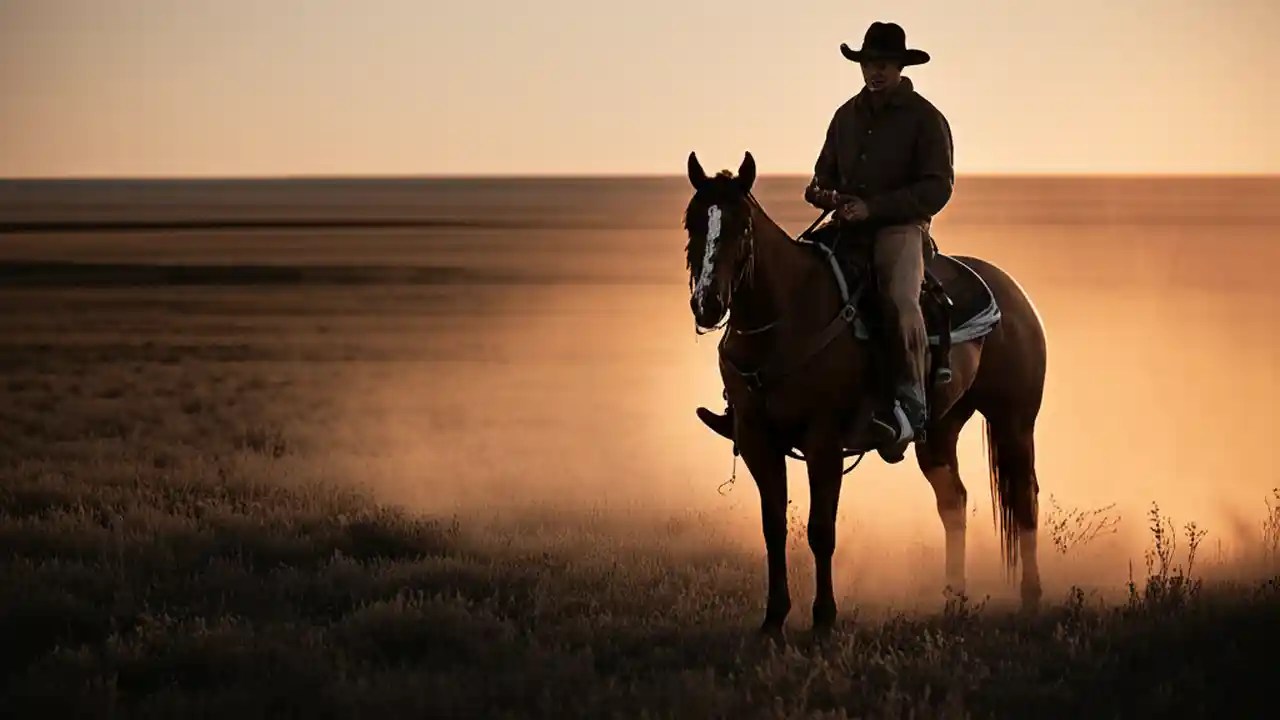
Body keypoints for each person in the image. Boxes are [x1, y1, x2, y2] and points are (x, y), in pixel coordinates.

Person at [696, 21, 954, 457]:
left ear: (900, 67)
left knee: (899, 299)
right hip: (846, 228)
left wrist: (873, 208)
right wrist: (827, 195)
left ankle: (911, 402)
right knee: (788, 282)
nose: (875, 72)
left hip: (901, 229)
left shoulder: (926, 119)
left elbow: (938, 187)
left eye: (884, 64)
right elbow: (822, 176)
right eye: (869, 64)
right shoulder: (845, 117)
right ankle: (745, 402)